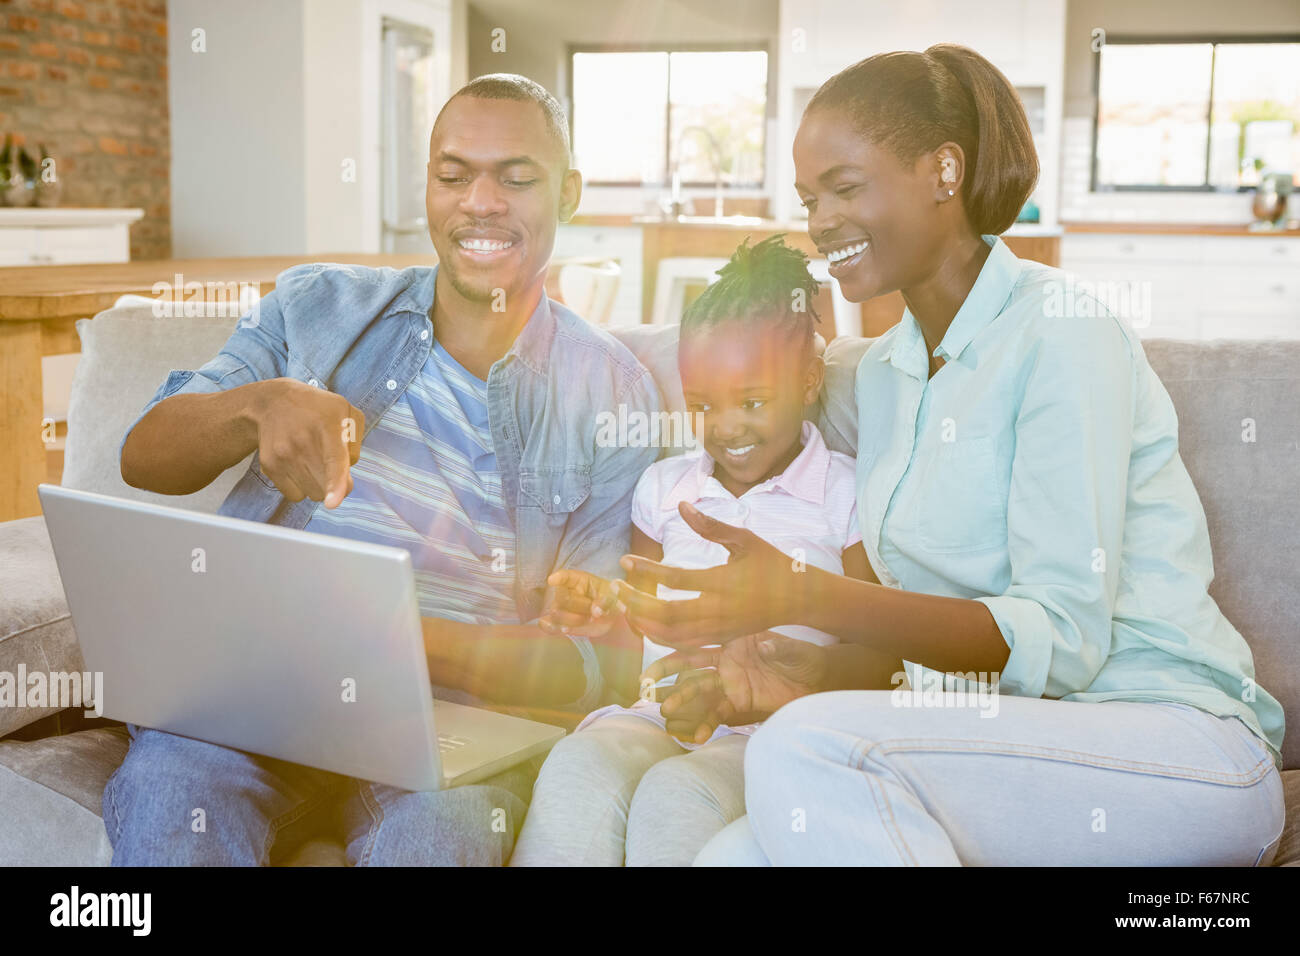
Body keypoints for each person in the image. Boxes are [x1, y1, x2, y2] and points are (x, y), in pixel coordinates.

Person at [611, 45, 1286, 866]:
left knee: (802, 747)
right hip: (996, 746)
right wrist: (809, 673)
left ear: (944, 171)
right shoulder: (889, 375)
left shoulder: (1060, 333)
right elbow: (931, 637)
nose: (820, 221)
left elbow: (1063, 642)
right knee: (727, 858)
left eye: (846, 188)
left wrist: (801, 597)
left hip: (1165, 742)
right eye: (809, 197)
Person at [106, 74, 661, 866]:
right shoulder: (319, 307)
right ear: (427, 186)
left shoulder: (612, 391)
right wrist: (257, 406)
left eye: (517, 177)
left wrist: (385, 639)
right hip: (255, 703)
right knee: (167, 789)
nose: (480, 201)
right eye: (452, 174)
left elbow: (598, 668)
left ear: (568, 193)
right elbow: (144, 456)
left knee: (438, 838)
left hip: (450, 734)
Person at [511, 235, 890, 866]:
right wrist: (602, 605)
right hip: (660, 714)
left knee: (678, 793)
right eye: (703, 405)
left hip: (771, 730)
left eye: (753, 402)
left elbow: (877, 654)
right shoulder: (664, 488)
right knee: (578, 762)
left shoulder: (845, 493)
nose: (726, 427)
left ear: (809, 379)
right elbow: (639, 624)